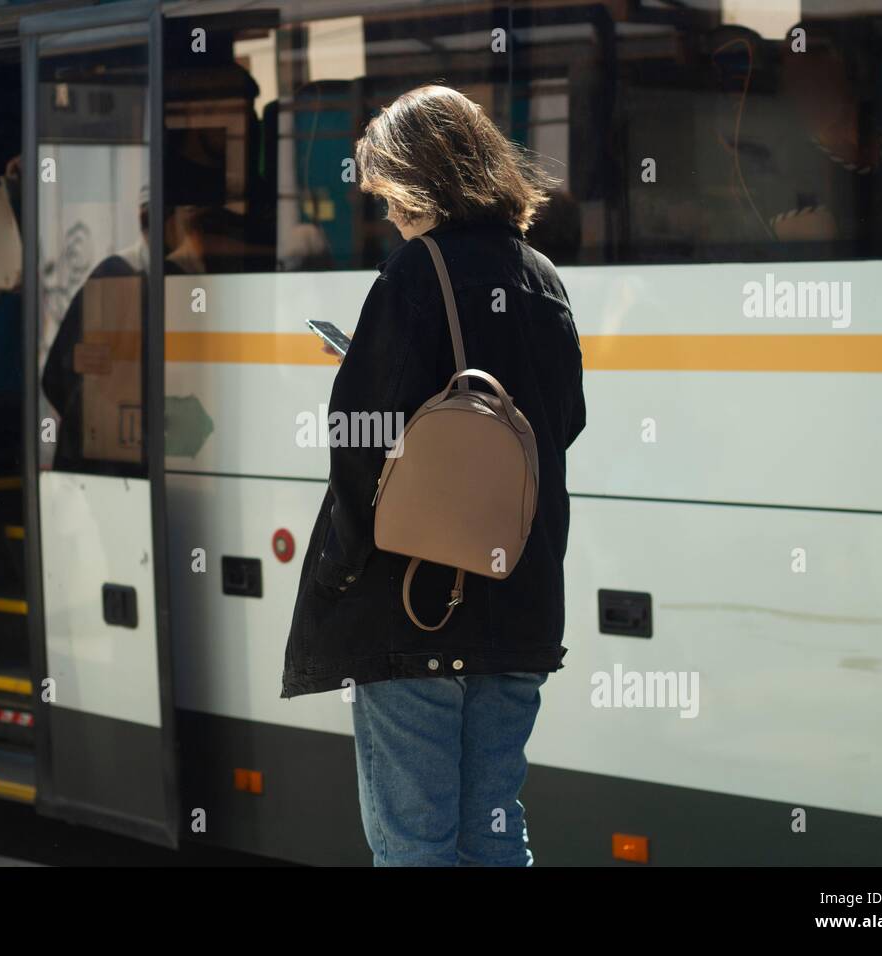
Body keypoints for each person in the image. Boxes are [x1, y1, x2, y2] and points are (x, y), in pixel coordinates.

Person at [280, 85, 586, 866]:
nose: (387, 214)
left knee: (416, 846)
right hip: (518, 604)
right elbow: (562, 426)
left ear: (424, 181)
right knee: (494, 830)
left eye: (390, 194)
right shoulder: (543, 277)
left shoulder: (414, 275)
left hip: (414, 609)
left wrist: (338, 573)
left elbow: (359, 440)